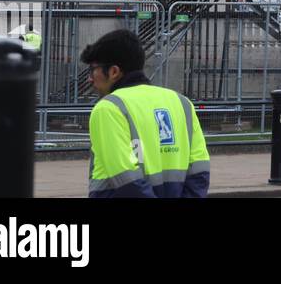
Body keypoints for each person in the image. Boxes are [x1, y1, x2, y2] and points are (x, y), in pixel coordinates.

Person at [81, 28, 210, 197]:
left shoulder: (109, 108)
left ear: (113, 72)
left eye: (92, 70)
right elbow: (200, 170)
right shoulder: (182, 103)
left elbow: (125, 177)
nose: (89, 78)